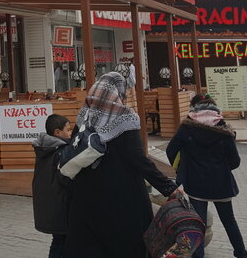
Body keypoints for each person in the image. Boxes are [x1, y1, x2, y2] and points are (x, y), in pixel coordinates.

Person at [64, 71, 181, 258]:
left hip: (87, 195)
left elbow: (74, 148)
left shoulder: (84, 115)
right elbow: (137, 159)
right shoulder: (126, 118)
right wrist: (169, 187)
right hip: (122, 198)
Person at [167, 94, 247, 258]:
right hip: (222, 184)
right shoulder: (224, 130)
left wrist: (182, 168)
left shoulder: (186, 128)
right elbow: (235, 162)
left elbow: (170, 150)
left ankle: (198, 255)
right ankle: (241, 254)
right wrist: (222, 167)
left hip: (196, 184)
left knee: (198, 223)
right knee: (229, 221)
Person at [32, 113, 73, 258]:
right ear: (57, 132)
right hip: (61, 205)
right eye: (68, 130)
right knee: (62, 242)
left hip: (51, 205)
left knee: (59, 241)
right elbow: (66, 179)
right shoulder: (61, 151)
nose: (70, 133)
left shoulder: (44, 148)